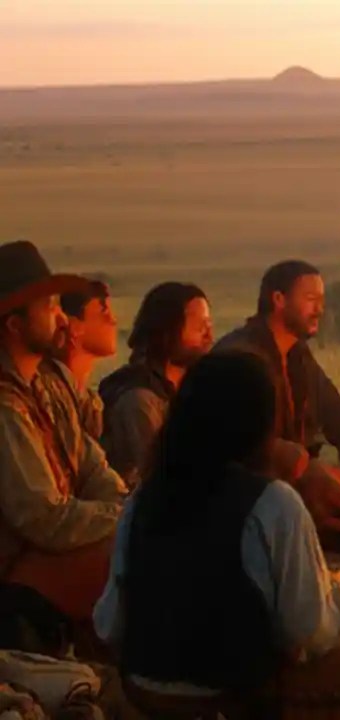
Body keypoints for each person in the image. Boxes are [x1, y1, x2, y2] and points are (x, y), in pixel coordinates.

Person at [94, 350, 340, 719]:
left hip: (146, 696)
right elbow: (310, 635)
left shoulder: (143, 500)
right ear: (260, 425)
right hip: (239, 701)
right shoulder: (271, 502)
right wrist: (335, 598)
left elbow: (108, 623)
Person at [0, 241, 127, 655]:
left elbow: (93, 467)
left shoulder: (49, 386)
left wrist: (120, 510)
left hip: (56, 552)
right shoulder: (5, 406)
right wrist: (123, 519)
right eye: (49, 306)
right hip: (17, 574)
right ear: (14, 325)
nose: (60, 315)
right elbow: (43, 516)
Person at [216, 261, 340, 547]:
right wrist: (304, 467)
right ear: (279, 300)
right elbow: (236, 441)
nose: (320, 310)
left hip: (287, 484)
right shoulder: (240, 357)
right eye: (310, 300)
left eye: (321, 301)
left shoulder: (298, 356)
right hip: (244, 490)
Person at [98, 282, 212, 488]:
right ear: (169, 330)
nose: (209, 337)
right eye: (199, 327)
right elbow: (162, 477)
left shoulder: (188, 389)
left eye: (208, 326)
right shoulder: (139, 400)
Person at [48, 280, 116, 440]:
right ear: (73, 325)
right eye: (103, 312)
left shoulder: (86, 398)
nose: (113, 320)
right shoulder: (51, 396)